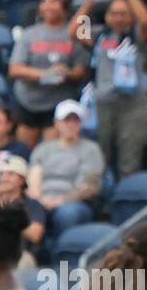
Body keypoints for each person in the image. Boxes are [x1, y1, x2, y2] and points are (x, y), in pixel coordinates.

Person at [83, 0, 147, 180]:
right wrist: (88, 4)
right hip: (102, 103)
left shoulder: (137, 35)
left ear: (131, 16)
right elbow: (75, 31)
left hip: (132, 105)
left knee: (129, 162)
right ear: (106, 16)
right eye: (114, 13)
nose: (118, 18)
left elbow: (146, 21)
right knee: (99, 157)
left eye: (124, 13)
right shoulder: (99, 35)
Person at [8, 0, 90, 148]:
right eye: (44, 2)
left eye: (54, 2)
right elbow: (15, 69)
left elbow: (81, 71)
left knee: (51, 153)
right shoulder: (29, 34)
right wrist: (46, 74)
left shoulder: (74, 34)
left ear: (64, 5)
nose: (48, 7)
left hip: (57, 104)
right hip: (28, 102)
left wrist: (67, 73)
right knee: (24, 153)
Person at [27, 100, 105, 241]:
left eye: (76, 120)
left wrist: (59, 201)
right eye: (66, 120)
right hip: (42, 200)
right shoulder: (43, 149)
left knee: (68, 214)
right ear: (57, 123)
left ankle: (63, 262)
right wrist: (38, 201)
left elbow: (87, 187)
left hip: (74, 202)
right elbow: (34, 178)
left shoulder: (91, 149)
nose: (71, 124)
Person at [0, 155, 47, 267]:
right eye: (2, 174)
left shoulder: (31, 205)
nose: (4, 178)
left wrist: (4, 216)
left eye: (10, 174)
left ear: (22, 180)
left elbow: (36, 234)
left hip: (21, 255)